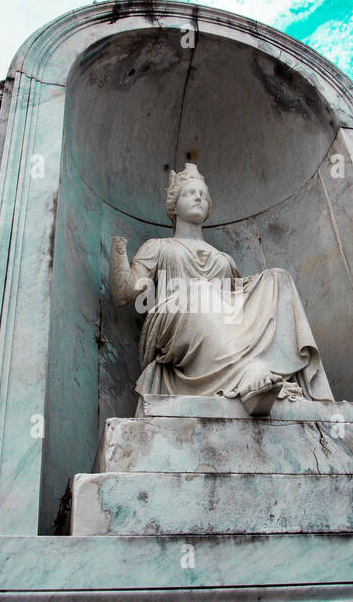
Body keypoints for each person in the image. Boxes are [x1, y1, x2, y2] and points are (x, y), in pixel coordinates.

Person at [109, 163, 334, 415]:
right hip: (173, 320)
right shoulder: (158, 246)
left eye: (203, 195)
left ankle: (262, 371)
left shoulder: (224, 259)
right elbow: (124, 294)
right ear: (174, 205)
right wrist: (119, 254)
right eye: (189, 193)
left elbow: (236, 300)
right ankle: (246, 374)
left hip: (220, 316)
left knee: (277, 278)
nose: (198, 197)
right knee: (202, 292)